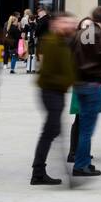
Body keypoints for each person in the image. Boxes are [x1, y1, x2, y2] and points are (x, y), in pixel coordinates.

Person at [32, 11, 77, 185]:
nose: (71, 26)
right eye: (67, 22)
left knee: (53, 131)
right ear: (57, 24)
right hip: (51, 92)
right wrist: (70, 80)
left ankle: (39, 171)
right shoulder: (52, 43)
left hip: (56, 92)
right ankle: (38, 172)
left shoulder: (62, 42)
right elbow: (48, 74)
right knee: (50, 132)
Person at [71, 6, 101, 178]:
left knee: (83, 127)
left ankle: (84, 161)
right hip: (93, 83)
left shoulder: (79, 35)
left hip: (79, 82)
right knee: (87, 129)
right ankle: (81, 165)